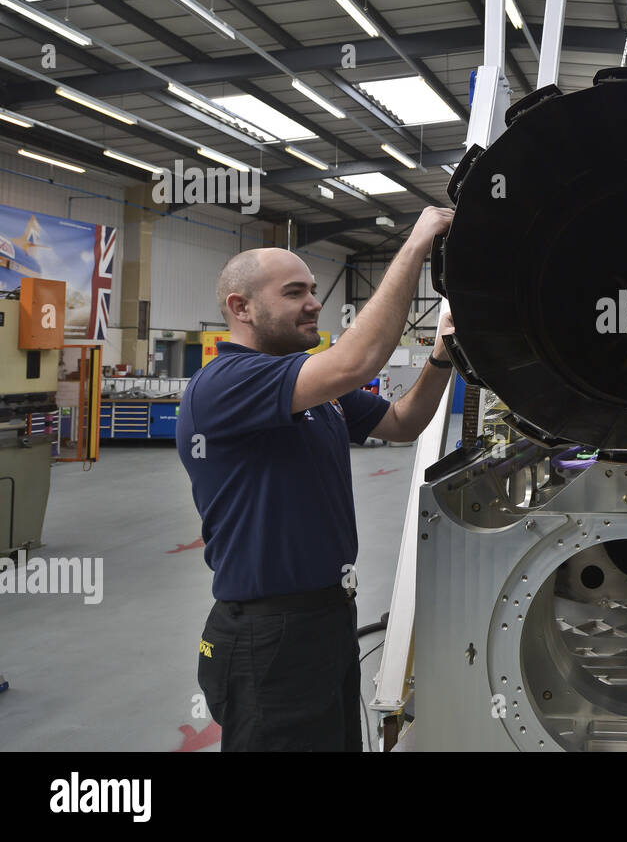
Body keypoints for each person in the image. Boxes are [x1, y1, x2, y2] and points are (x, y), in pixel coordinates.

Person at [177, 206, 458, 751]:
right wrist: (415, 243)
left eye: (312, 289)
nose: (314, 302)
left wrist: (441, 358)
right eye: (294, 292)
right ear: (241, 307)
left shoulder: (311, 389)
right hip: (268, 636)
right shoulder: (226, 383)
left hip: (327, 617)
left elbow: (403, 423)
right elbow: (357, 361)